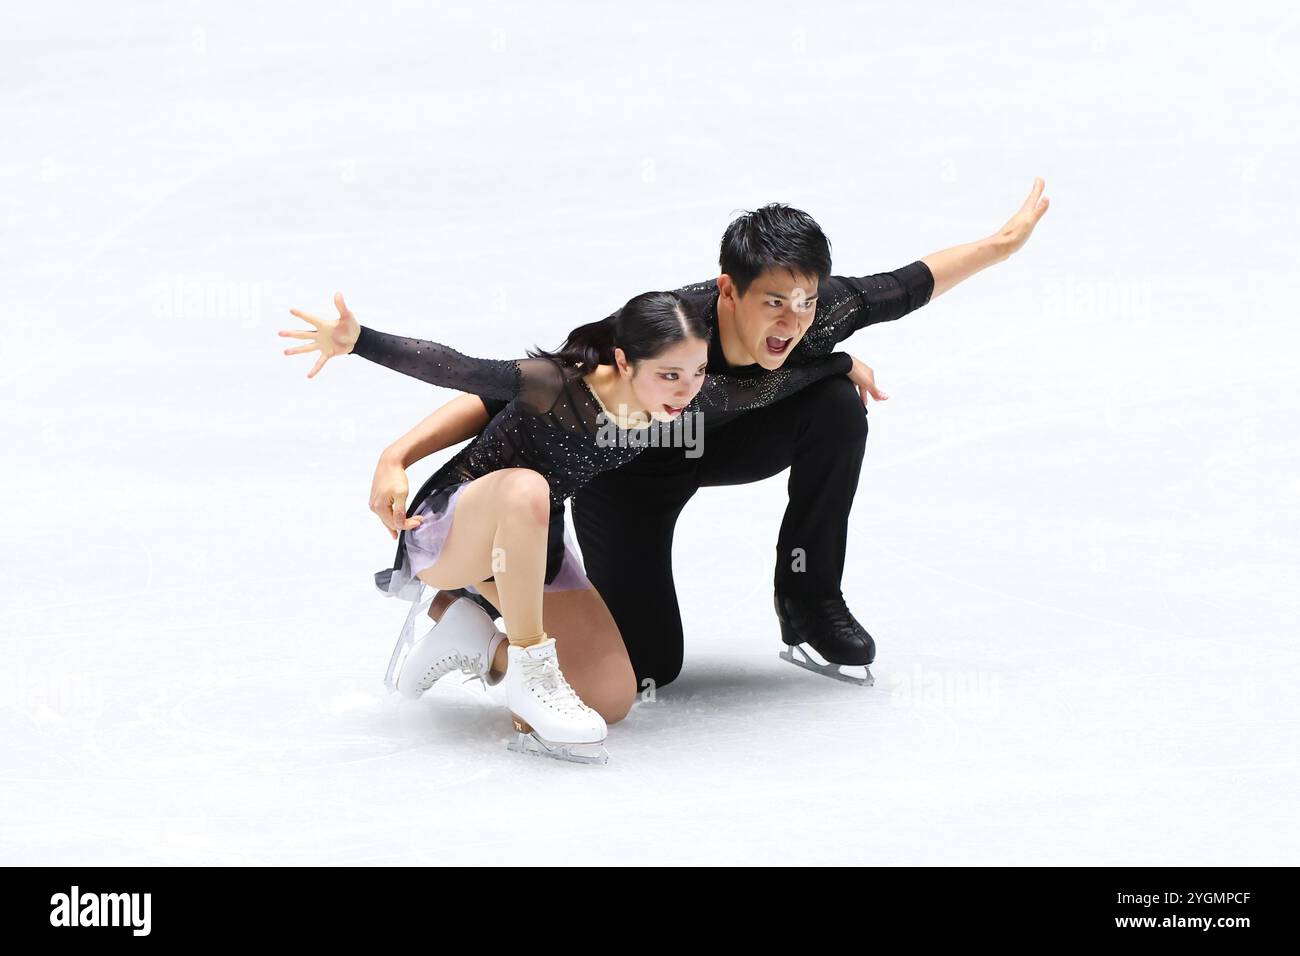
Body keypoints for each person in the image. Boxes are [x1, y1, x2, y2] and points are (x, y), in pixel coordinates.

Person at [369, 179, 1051, 693]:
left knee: (837, 407)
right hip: (628, 476)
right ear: (728, 290)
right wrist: (401, 454)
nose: (793, 319)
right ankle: (468, 606)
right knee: (650, 668)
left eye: (807, 301)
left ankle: (809, 599)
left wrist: (998, 246)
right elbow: (516, 391)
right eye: (774, 302)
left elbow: (908, 284)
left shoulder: (815, 316)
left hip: (723, 443)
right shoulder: (666, 330)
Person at [279, 289, 868, 762]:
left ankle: (483, 642)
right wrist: (361, 345)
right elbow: (458, 368)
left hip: (534, 544)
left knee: (613, 695)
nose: (687, 392)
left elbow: (765, 384)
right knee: (528, 487)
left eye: (696, 375)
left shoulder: (674, 400)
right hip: (449, 529)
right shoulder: (556, 385)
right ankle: (530, 667)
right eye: (670, 376)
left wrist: (840, 363)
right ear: (623, 360)